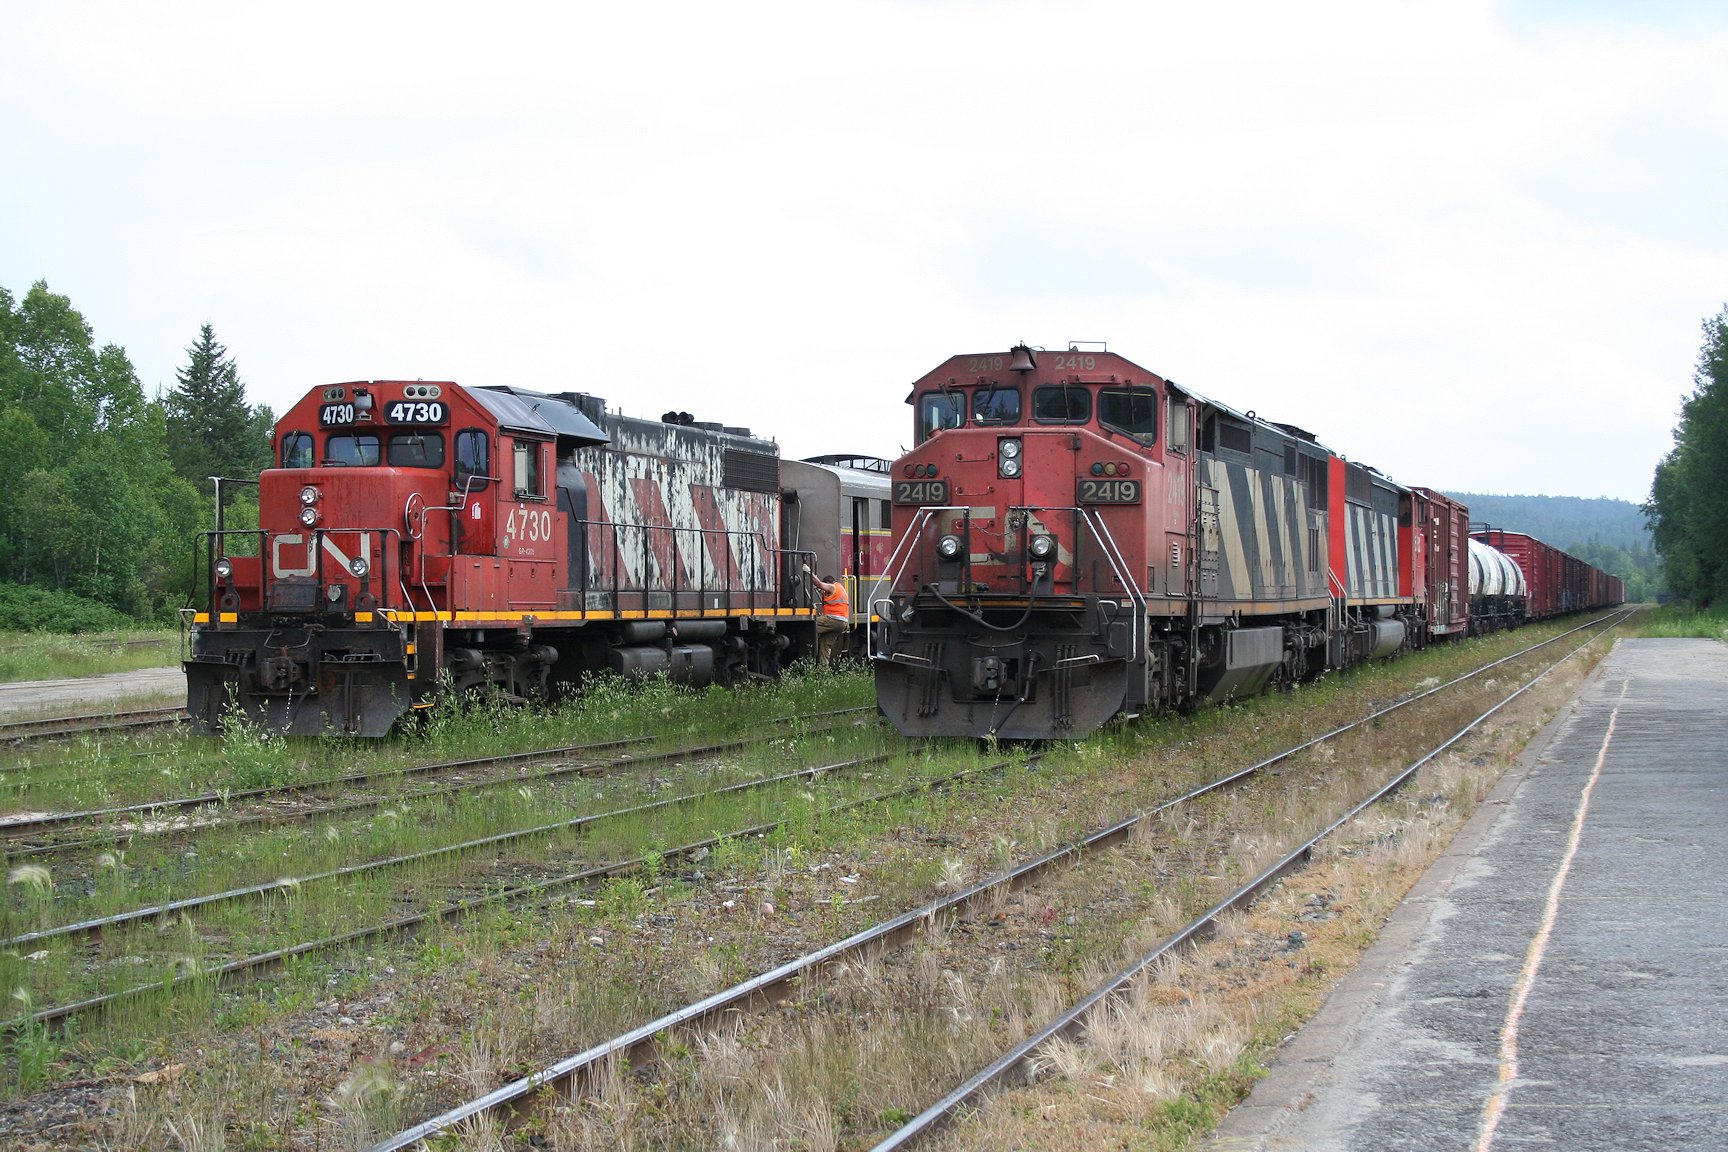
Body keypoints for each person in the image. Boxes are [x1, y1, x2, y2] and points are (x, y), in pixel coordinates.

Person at [805, 565, 850, 666]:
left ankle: (805, 662)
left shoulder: (832, 587)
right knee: (825, 646)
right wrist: (822, 591)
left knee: (808, 626)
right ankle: (823, 670)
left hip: (833, 620)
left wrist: (809, 572)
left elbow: (819, 584)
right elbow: (830, 600)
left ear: (828, 582)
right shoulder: (840, 588)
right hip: (842, 623)